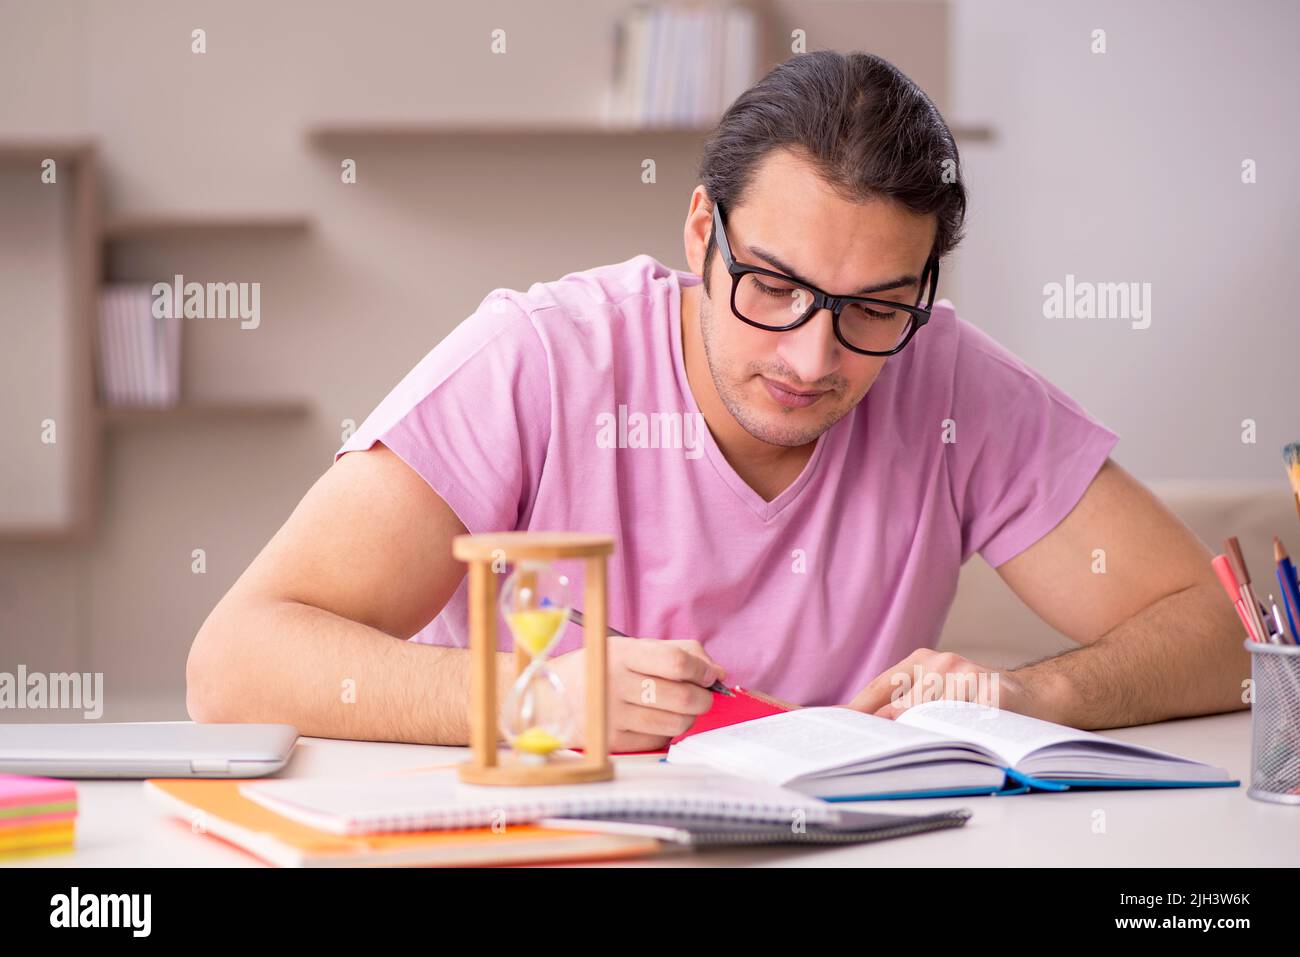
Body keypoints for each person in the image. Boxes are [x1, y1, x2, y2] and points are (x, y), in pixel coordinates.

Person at [186, 51, 1246, 750]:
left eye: (876, 306)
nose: (811, 354)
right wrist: (536, 700)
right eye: (772, 287)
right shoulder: (536, 360)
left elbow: (1223, 630)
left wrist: (1027, 697)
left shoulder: (952, 382)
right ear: (702, 233)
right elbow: (235, 661)